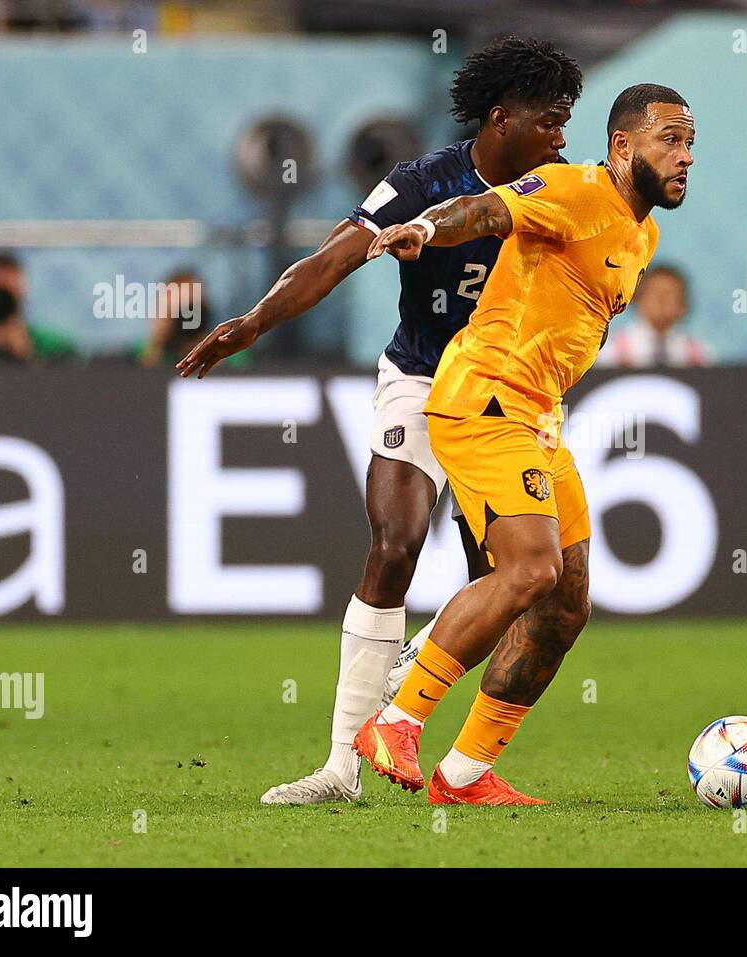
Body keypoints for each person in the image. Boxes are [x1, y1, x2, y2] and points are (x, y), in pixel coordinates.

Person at [176, 37, 584, 806]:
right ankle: (340, 769)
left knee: (509, 583)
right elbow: (332, 259)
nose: (563, 137)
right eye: (552, 121)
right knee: (394, 544)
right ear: (503, 117)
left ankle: (423, 675)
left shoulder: (555, 189)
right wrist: (253, 323)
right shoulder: (422, 183)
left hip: (503, 398)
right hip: (422, 381)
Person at [357, 82, 694, 805]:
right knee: (530, 569)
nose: (685, 156)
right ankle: (396, 718)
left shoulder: (643, 234)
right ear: (622, 146)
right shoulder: (572, 189)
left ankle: (465, 772)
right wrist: (427, 228)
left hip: (540, 415)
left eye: (690, 143)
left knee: (566, 602)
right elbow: (486, 208)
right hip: (485, 397)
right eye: (671, 139)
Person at [602, 264, 711, 368]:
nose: (661, 301)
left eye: (669, 295)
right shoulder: (612, 350)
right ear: (637, 298)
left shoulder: (697, 354)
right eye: (655, 293)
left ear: (683, 304)